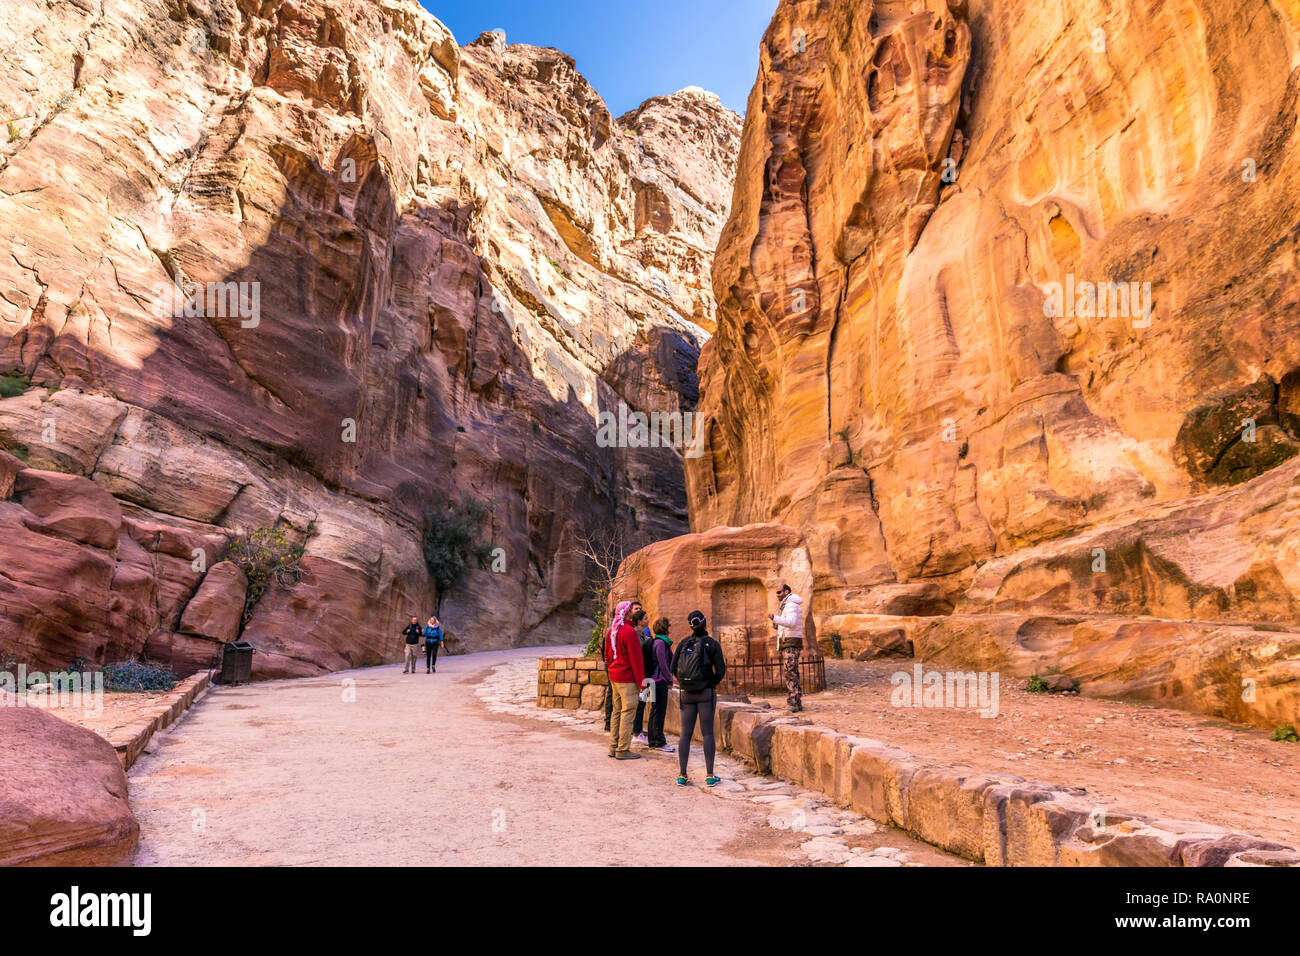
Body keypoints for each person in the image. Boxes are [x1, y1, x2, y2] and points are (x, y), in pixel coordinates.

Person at [672, 610, 726, 786]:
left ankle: (682, 775)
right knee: (708, 733)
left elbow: (673, 667)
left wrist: (685, 682)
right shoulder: (712, 644)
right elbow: (721, 670)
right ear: (705, 623)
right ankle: (710, 775)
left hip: (686, 694)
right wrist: (710, 683)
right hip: (705, 693)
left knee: (685, 734)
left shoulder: (682, 643)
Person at [603, 600, 648, 759]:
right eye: (631, 610)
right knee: (628, 712)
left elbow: (607, 655)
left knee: (616, 711)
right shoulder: (630, 632)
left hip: (614, 677)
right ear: (627, 612)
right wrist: (643, 683)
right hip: (627, 679)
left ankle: (613, 746)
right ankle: (623, 749)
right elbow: (636, 660)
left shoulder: (611, 631)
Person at [768, 583, 804, 712]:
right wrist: (777, 624)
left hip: (791, 643)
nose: (777, 594)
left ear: (786, 591)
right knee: (792, 672)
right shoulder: (786, 605)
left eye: (779, 592)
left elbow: (791, 623)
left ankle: (793, 702)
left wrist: (775, 618)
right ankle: (796, 701)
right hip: (788, 641)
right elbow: (787, 624)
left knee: (790, 673)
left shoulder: (791, 605)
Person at [646, 617, 675, 752]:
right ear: (664, 627)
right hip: (659, 681)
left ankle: (653, 740)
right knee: (659, 711)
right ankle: (659, 741)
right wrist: (670, 678)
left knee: (654, 710)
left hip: (653, 681)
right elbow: (663, 663)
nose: (671, 627)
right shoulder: (661, 643)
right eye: (669, 625)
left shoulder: (657, 642)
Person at [628, 608, 652, 743]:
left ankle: (638, 731)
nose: (647, 620)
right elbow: (639, 651)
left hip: (645, 674)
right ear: (639, 621)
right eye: (645, 619)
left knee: (643, 703)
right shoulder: (636, 634)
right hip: (641, 675)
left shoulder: (642, 633)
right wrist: (649, 642)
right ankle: (636, 732)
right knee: (640, 703)